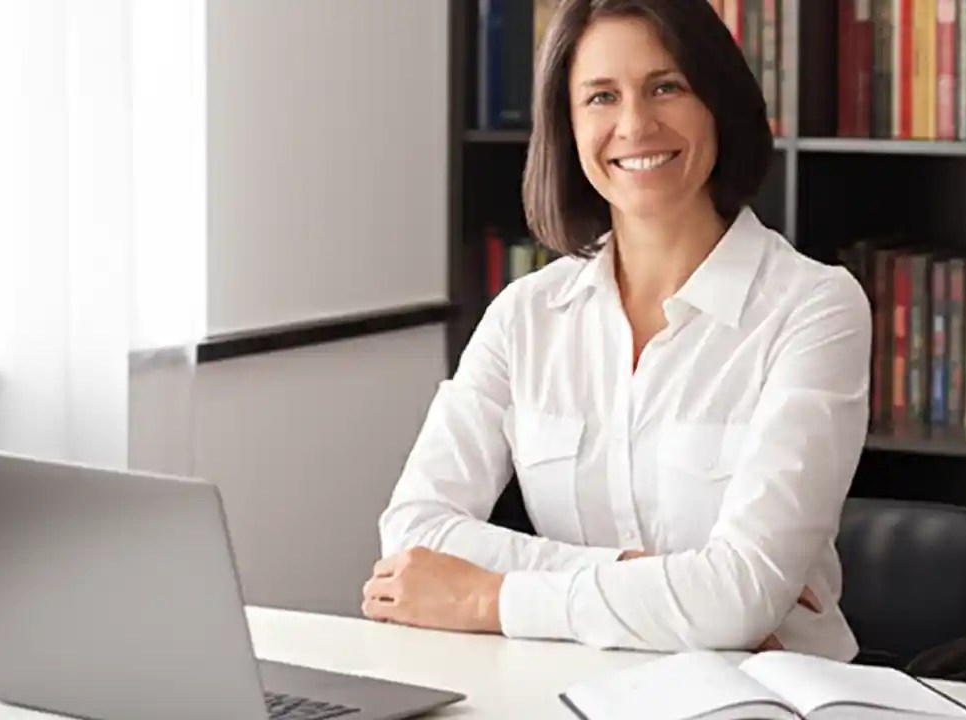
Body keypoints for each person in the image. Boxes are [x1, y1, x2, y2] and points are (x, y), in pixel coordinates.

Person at [362, 0, 870, 662]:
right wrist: (647, 571)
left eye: (666, 87)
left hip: (769, 695)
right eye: (601, 96)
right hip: (569, 688)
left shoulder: (815, 308)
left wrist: (489, 597)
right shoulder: (524, 317)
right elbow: (412, 534)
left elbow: (741, 601)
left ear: (717, 102)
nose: (635, 124)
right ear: (567, 127)